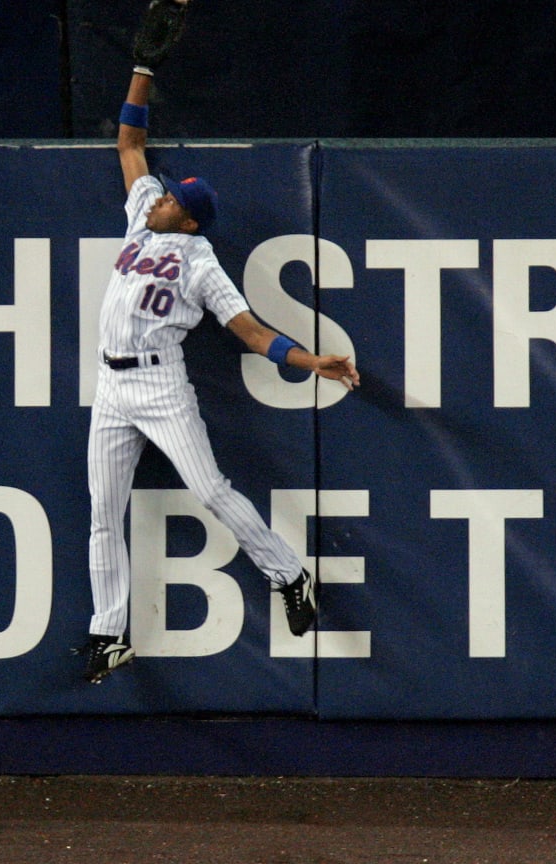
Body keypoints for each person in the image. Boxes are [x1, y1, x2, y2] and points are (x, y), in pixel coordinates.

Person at [82, 6, 360, 684]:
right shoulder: (142, 216)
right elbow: (129, 144)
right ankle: (109, 634)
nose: (159, 198)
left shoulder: (199, 260)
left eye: (172, 200)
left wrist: (311, 361)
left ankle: (289, 574)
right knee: (102, 514)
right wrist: (143, 68)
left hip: (160, 383)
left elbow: (253, 332)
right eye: (164, 195)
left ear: (188, 219)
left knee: (210, 490)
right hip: (111, 385)